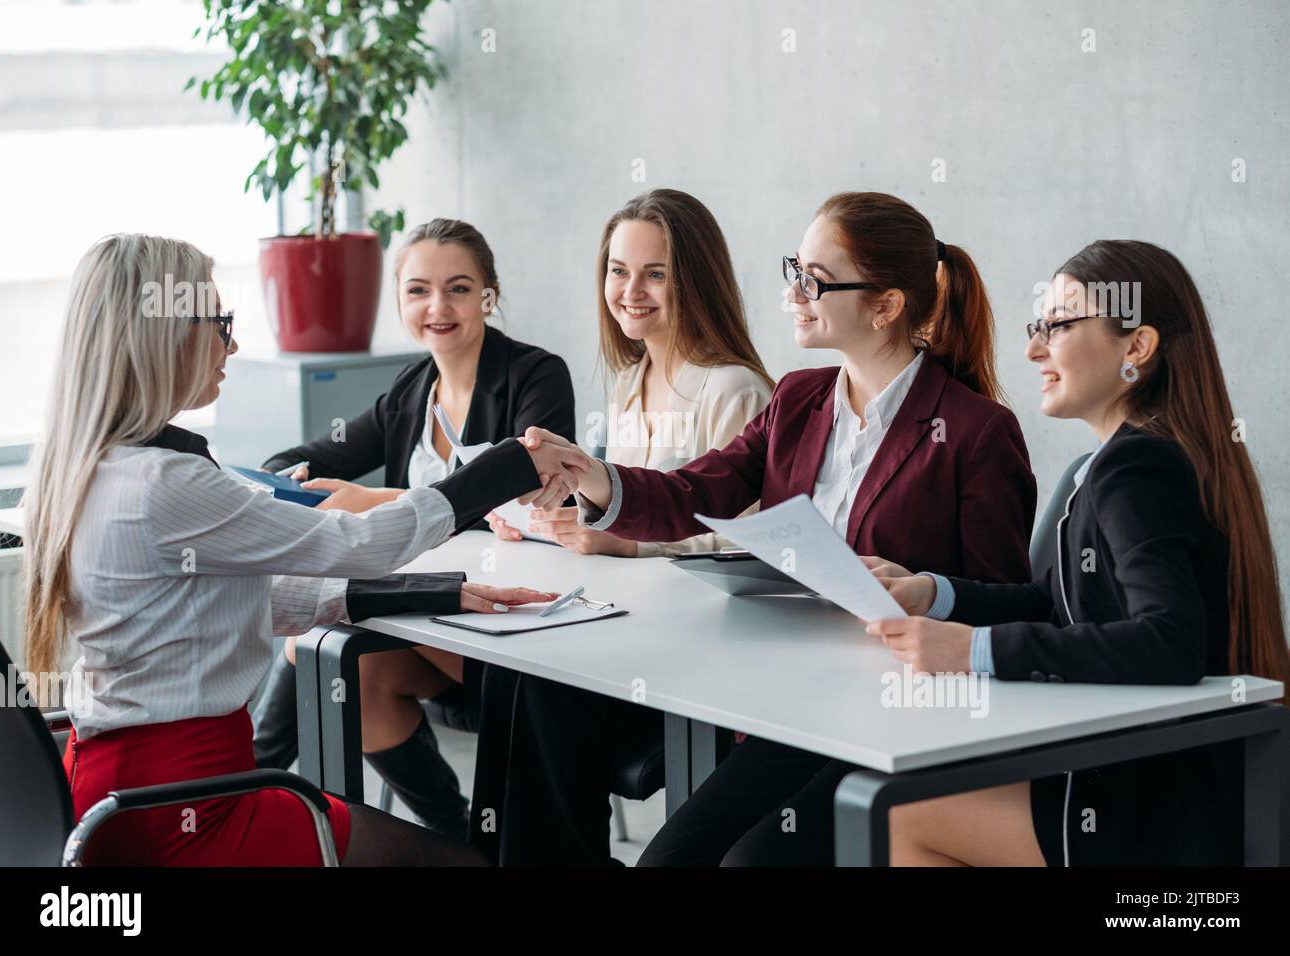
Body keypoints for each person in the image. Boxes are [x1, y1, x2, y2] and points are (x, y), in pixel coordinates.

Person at [21, 233, 589, 865]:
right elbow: (361, 545)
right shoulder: (164, 481)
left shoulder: (88, 467)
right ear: (165, 335)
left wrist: (431, 589)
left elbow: (239, 600)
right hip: (189, 805)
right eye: (221, 324)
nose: (233, 345)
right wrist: (502, 470)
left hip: (118, 790)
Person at [518, 190, 1038, 864]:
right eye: (795, 269)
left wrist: (927, 591)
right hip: (791, 703)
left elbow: (1008, 603)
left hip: (898, 717)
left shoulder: (976, 431)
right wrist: (590, 473)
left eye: (815, 280)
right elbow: (692, 492)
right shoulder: (798, 398)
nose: (793, 293)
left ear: (885, 306)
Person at [862, 240, 1290, 866]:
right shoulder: (1135, 459)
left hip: (1147, 807)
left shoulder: (1134, 467)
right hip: (1162, 785)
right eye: (1038, 328)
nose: (1034, 350)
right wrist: (935, 593)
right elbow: (1060, 604)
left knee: (891, 809)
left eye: (1058, 326)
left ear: (1135, 348)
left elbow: (1170, 641)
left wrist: (973, 651)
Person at [248, 218, 576, 839]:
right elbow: (297, 459)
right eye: (418, 290)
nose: (437, 308)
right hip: (432, 611)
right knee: (354, 672)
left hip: (512, 625)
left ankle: (241, 790)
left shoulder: (536, 376)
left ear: (489, 294)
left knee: (316, 634)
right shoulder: (411, 390)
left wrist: (376, 499)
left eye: (459, 289)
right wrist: (292, 479)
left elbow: (527, 494)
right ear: (399, 300)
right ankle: (458, 838)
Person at [489, 189, 773, 556]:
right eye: (619, 271)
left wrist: (633, 544)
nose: (632, 291)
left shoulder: (736, 391)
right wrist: (534, 519)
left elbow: (753, 542)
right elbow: (620, 508)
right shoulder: (629, 381)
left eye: (655, 274)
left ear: (697, 282)